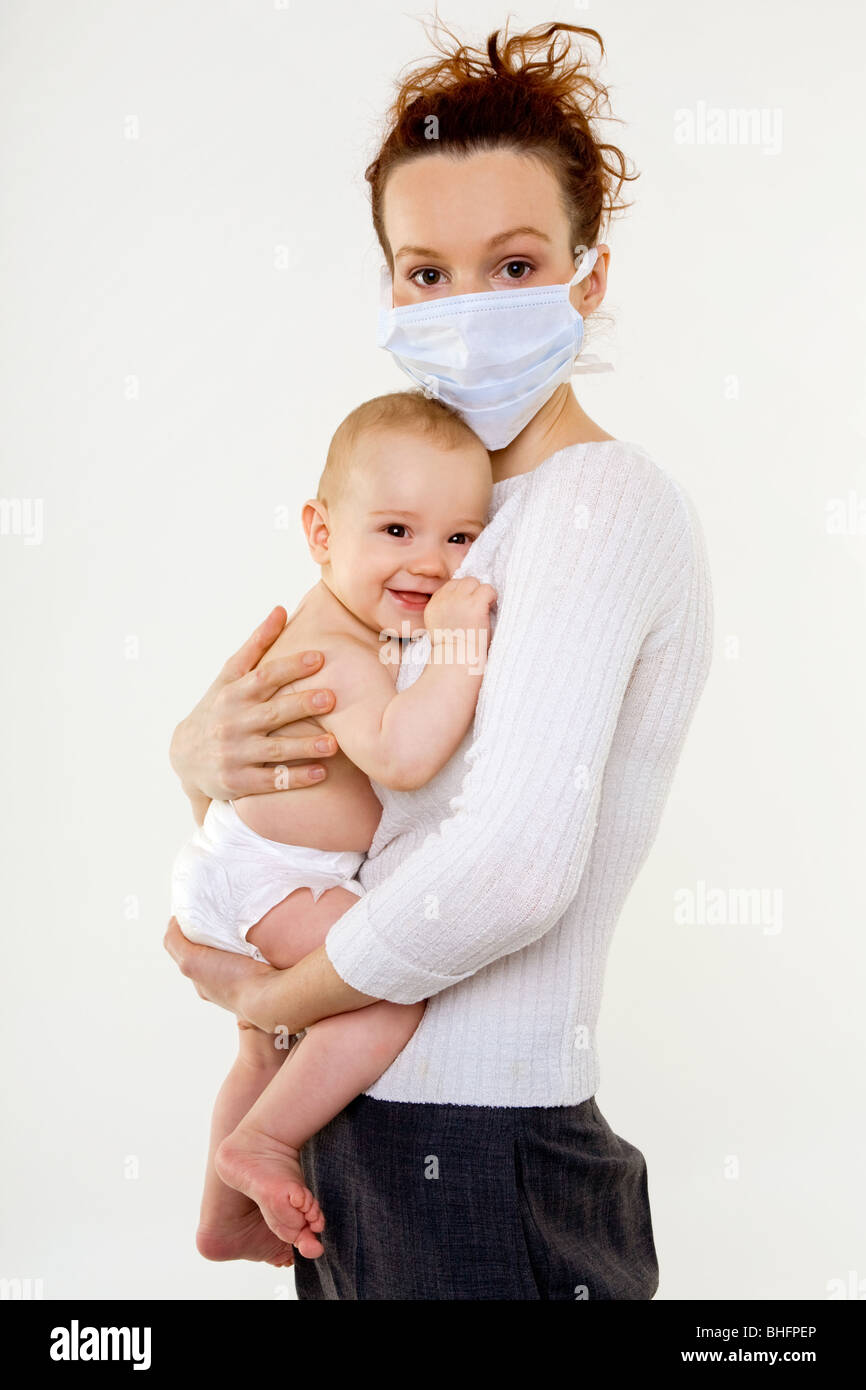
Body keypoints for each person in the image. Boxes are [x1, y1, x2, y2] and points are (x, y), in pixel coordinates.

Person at [165, 20, 714, 1300]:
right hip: (354, 1127)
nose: (465, 307)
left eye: (512, 262)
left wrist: (266, 995)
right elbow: (343, 806)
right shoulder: (422, 533)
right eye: (424, 272)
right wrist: (192, 760)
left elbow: (512, 868)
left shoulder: (598, 505)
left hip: (474, 1145)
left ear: (587, 279)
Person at [169, 390, 496, 1266]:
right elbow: (405, 753)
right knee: (388, 986)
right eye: (396, 532)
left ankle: (223, 1216)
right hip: (274, 876)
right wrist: (463, 647)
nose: (430, 562)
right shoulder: (341, 655)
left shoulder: (355, 628)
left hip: (247, 863)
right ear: (320, 533)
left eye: (460, 537)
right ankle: (264, 1145)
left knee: (265, 1046)